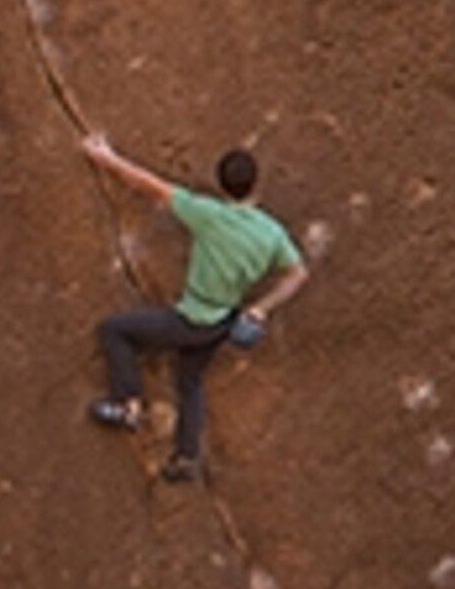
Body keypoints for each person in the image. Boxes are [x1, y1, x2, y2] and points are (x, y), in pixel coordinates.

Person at [79, 130, 309, 481]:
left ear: (221, 184)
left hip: (192, 319)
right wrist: (262, 307)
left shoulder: (208, 215)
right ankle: (186, 458)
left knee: (115, 330)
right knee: (189, 382)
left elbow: (148, 184)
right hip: (225, 322)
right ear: (255, 185)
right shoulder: (271, 233)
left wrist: (104, 156)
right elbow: (298, 273)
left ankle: (127, 405)